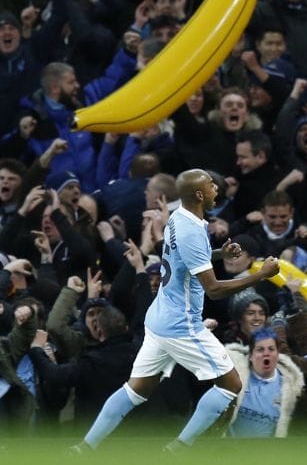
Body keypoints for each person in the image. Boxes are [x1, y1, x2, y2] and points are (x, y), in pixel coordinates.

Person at [69, 169, 281, 453]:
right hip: (181, 324)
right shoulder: (191, 229)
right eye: (211, 186)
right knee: (231, 384)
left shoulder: (180, 219)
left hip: (160, 319)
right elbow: (213, 289)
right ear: (199, 195)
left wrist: (220, 254)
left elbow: (186, 256)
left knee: (135, 390)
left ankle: (85, 446)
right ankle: (179, 448)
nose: (216, 190)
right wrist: (261, 274)